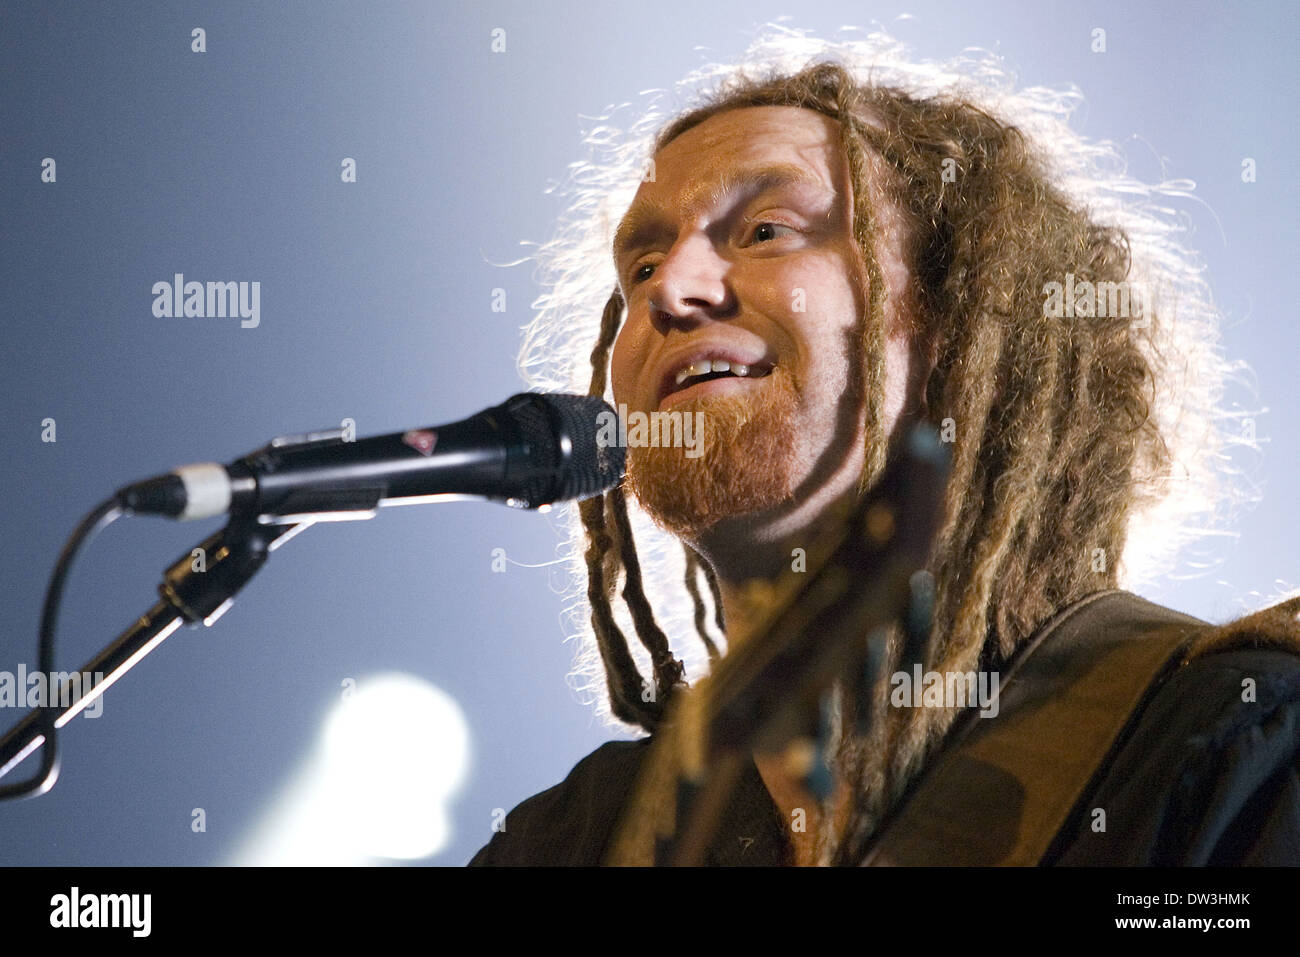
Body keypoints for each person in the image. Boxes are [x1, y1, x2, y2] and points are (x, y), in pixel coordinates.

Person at [470, 37, 1300, 866]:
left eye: (765, 230)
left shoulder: (1226, 743)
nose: (671, 288)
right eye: (641, 264)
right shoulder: (571, 839)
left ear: (961, 319)